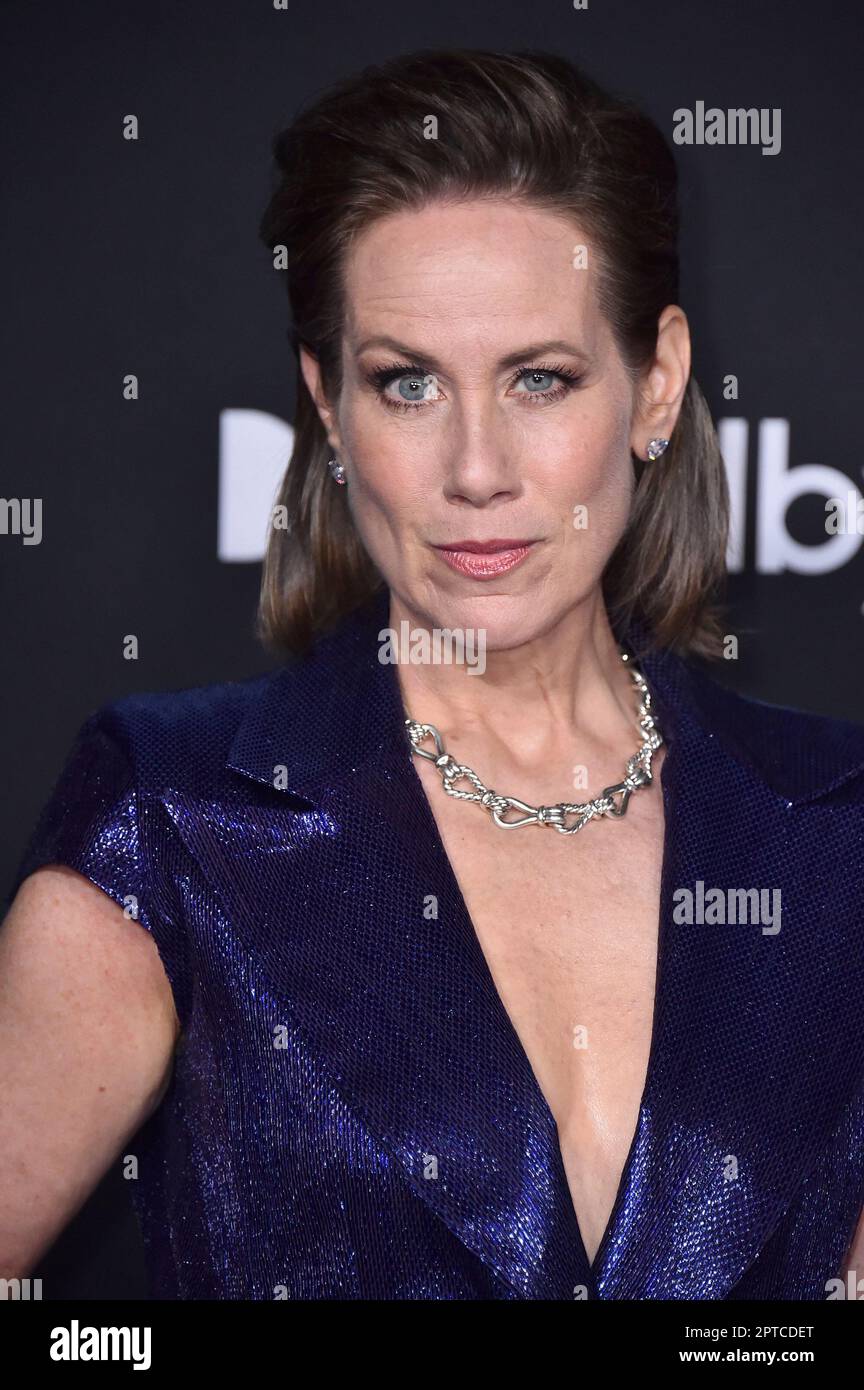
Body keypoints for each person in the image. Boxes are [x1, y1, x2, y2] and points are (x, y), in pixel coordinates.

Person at [2, 48, 864, 1301]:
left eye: (541, 379)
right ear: (331, 411)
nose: (475, 468)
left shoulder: (837, 832)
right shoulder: (177, 820)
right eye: (406, 383)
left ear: (656, 384)